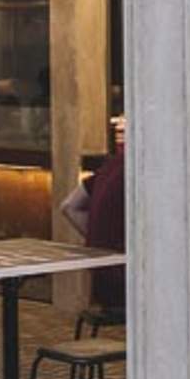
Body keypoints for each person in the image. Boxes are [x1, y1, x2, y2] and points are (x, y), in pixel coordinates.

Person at [56, 121, 127, 314]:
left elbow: (69, 207)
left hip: (101, 280)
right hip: (126, 283)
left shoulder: (112, 165)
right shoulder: (142, 172)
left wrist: (102, 241)